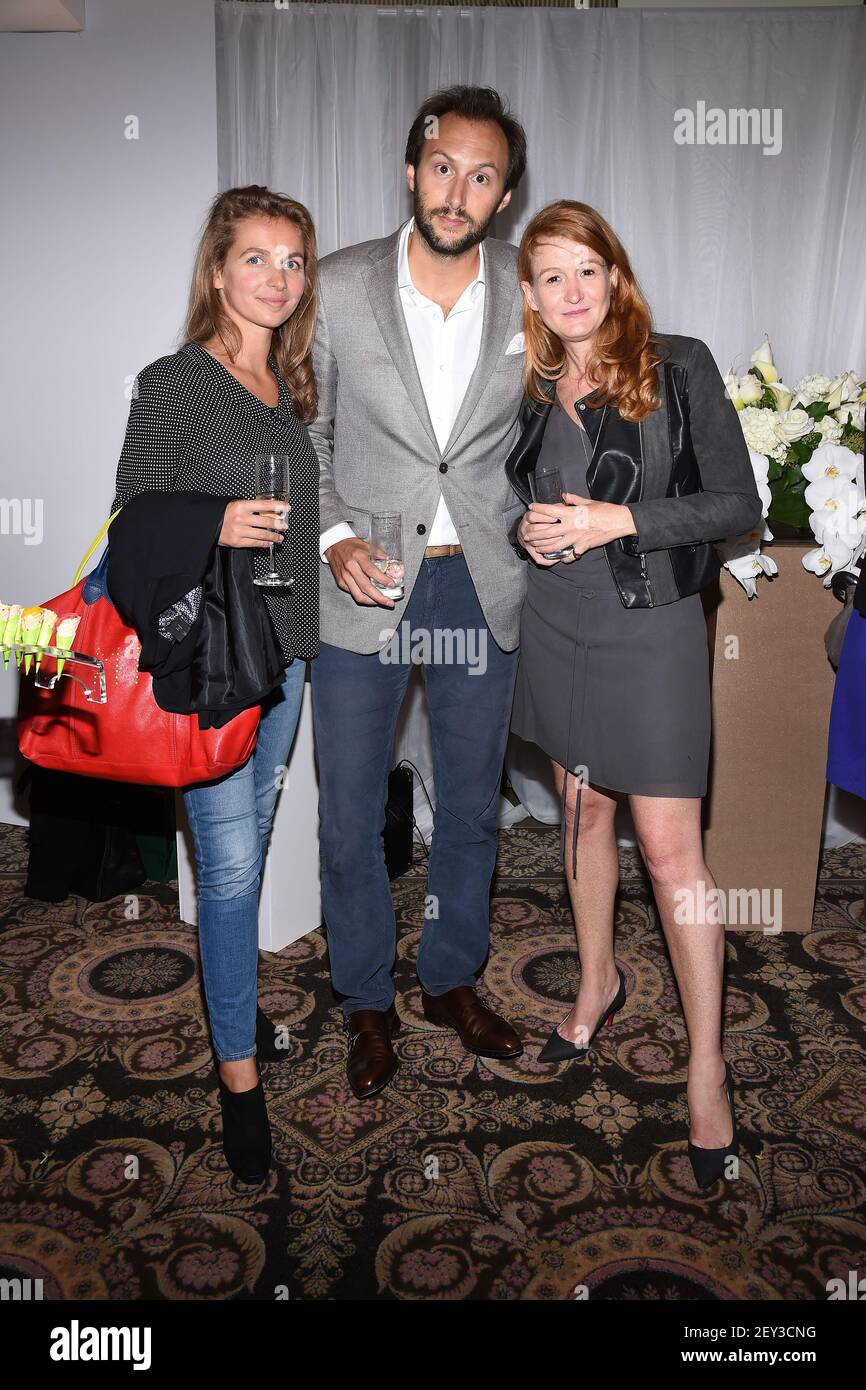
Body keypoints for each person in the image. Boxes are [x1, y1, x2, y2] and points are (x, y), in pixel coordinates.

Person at [506, 200, 762, 1190]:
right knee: (579, 820)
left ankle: (706, 1067)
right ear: (528, 294)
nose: (571, 293)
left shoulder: (678, 364)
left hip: (647, 626)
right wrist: (526, 528)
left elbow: (735, 504)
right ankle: (597, 980)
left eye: (586, 271)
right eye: (550, 277)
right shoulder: (529, 384)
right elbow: (515, 497)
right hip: (555, 620)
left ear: (613, 275)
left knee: (668, 852)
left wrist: (623, 518)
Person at [309, 86, 531, 1098]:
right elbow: (299, 432)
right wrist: (331, 534)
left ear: (505, 192)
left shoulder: (531, 293)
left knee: (471, 806)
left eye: (481, 174)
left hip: (479, 584)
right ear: (411, 170)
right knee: (351, 810)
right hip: (367, 582)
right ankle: (363, 996)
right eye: (443, 166)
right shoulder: (339, 283)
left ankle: (448, 977)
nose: (458, 189)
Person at [110, 185, 320, 1185]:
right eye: (256, 257)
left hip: (279, 656)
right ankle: (238, 1076)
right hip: (211, 668)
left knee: (251, 853)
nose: (276, 276)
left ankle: (235, 1015)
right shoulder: (173, 382)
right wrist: (213, 521)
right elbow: (130, 522)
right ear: (215, 272)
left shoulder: (291, 386)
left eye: (292, 261)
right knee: (230, 869)